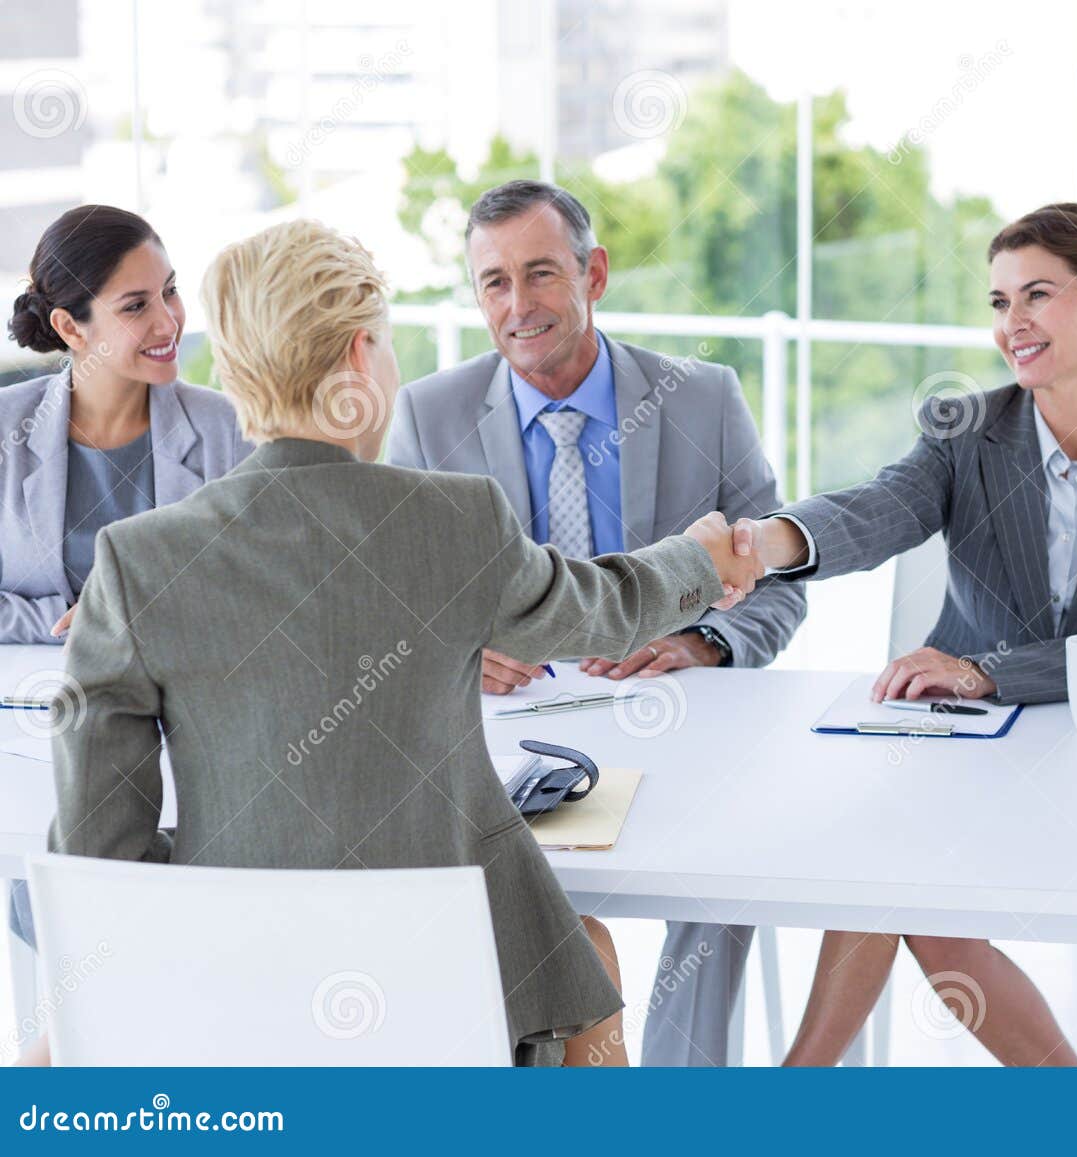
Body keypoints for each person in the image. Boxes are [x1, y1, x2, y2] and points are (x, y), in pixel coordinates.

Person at [36, 219, 763, 1067]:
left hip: (238, 1016)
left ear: (232, 371)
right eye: (384, 345)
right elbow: (600, 607)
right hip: (442, 1012)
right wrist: (701, 562)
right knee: (583, 966)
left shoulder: (136, 558)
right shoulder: (455, 517)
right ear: (357, 355)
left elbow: (95, 846)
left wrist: (228, 870)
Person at [732, 202, 1077, 1065]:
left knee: (903, 883)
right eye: (999, 302)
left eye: (1036, 295)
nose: (1013, 325)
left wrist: (980, 670)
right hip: (964, 757)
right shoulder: (962, 430)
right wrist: (764, 543)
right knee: (891, 871)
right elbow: (881, 507)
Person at [386, 179, 805, 1066]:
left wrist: (706, 638)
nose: (518, 304)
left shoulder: (701, 397)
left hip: (679, 722)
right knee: (521, 893)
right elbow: (389, 599)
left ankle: (682, 1096)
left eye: (541, 274)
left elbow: (778, 580)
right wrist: (453, 644)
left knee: (715, 878)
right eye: (494, 281)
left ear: (595, 274)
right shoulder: (430, 415)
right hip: (512, 745)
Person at [2, 205, 250, 1045]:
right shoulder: (8, 433)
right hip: (47, 732)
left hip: (200, 735)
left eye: (171, 293)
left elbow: (255, 587)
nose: (170, 321)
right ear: (71, 325)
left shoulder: (218, 428)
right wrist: (67, 620)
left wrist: (146, 615)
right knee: (73, 918)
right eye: (137, 305)